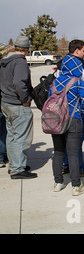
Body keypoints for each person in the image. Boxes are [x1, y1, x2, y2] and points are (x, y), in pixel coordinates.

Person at [50, 55, 84, 196]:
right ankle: (76, 185)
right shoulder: (78, 82)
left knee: (58, 152)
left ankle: (58, 183)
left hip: (56, 119)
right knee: (73, 153)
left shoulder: (55, 82)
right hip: (74, 118)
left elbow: (51, 100)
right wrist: (81, 113)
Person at [0, 36, 37, 179]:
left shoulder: (5, 62)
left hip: (6, 103)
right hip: (17, 104)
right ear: (27, 49)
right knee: (22, 137)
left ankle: (14, 164)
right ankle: (17, 168)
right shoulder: (20, 63)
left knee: (12, 136)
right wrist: (26, 99)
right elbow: (19, 83)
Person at [58, 40, 84, 178]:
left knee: (65, 141)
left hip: (62, 109)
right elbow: (83, 89)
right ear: (77, 50)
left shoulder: (63, 64)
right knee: (77, 141)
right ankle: (78, 168)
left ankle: (66, 165)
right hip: (76, 109)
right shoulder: (78, 66)